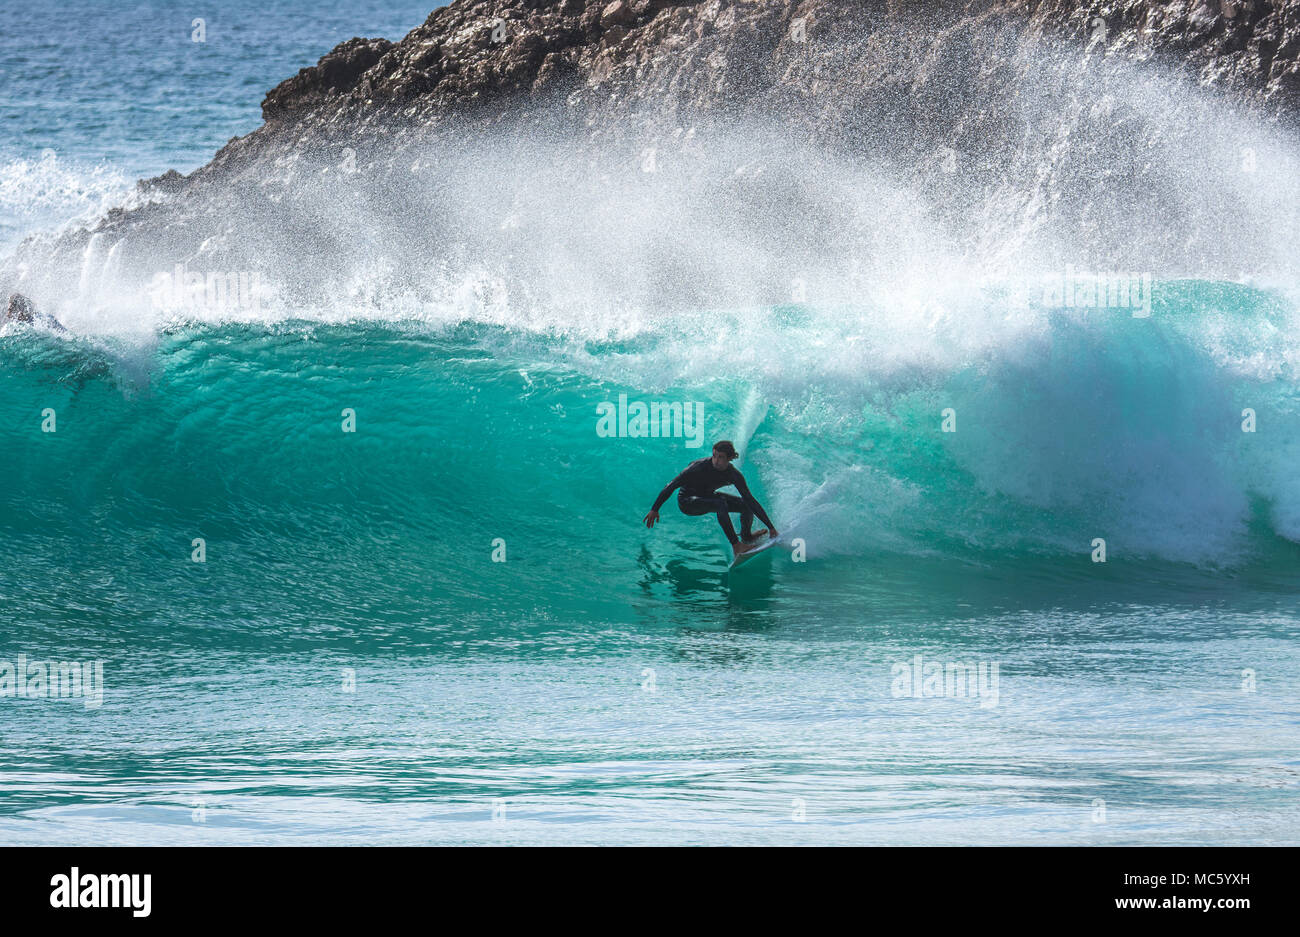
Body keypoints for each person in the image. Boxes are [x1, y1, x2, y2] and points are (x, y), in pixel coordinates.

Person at [643, 440, 778, 558]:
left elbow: (750, 499)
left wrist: (771, 528)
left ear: (729, 458)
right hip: (687, 502)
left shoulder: (733, 475)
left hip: (707, 497)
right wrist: (655, 509)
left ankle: (747, 537)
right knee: (720, 504)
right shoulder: (697, 467)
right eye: (714, 456)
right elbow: (671, 485)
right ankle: (737, 546)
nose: (716, 460)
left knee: (745, 505)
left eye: (720, 457)